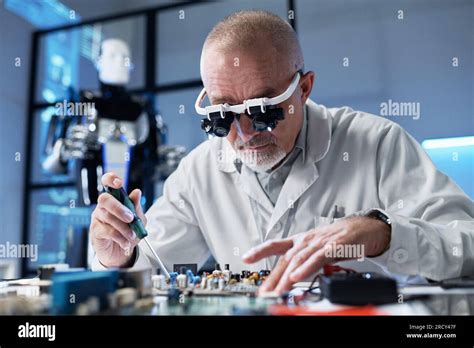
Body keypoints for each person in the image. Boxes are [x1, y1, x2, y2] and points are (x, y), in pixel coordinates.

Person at [90, 10, 473, 295]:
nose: (242, 134)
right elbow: (147, 271)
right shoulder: (199, 173)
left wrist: (385, 233)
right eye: (223, 116)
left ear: (304, 89)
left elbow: (466, 245)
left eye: (262, 112)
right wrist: (118, 253)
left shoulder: (376, 143)